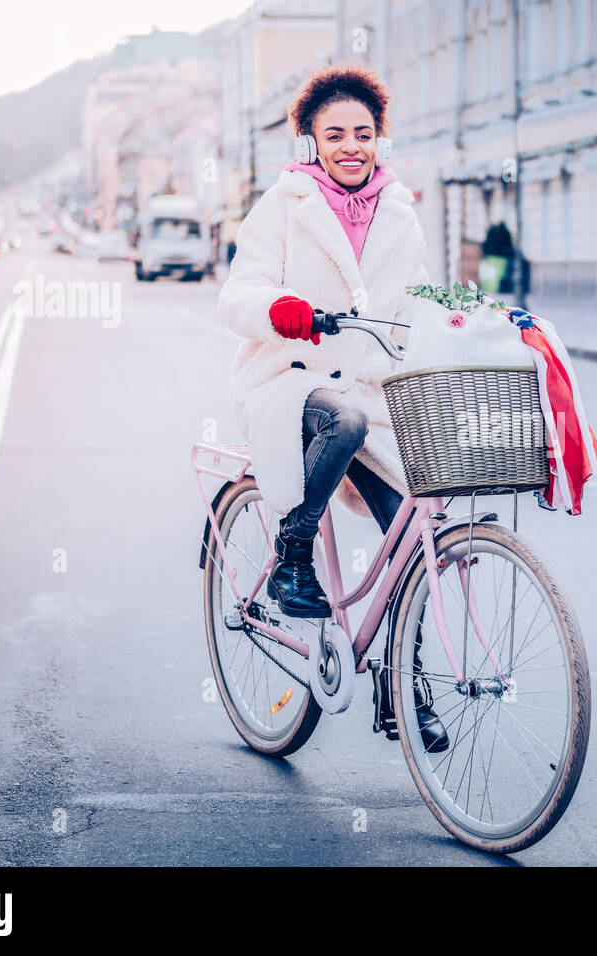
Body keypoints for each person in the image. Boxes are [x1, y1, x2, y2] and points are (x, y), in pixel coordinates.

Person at [217, 63, 447, 750]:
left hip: (377, 392)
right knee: (338, 420)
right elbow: (238, 295)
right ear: (313, 139)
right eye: (336, 134)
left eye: (364, 133)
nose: (352, 146)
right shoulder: (285, 204)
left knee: (414, 538)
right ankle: (294, 556)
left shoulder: (401, 213)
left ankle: (404, 682)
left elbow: (423, 304)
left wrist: (480, 321)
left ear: (379, 137)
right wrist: (279, 310)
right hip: (294, 378)